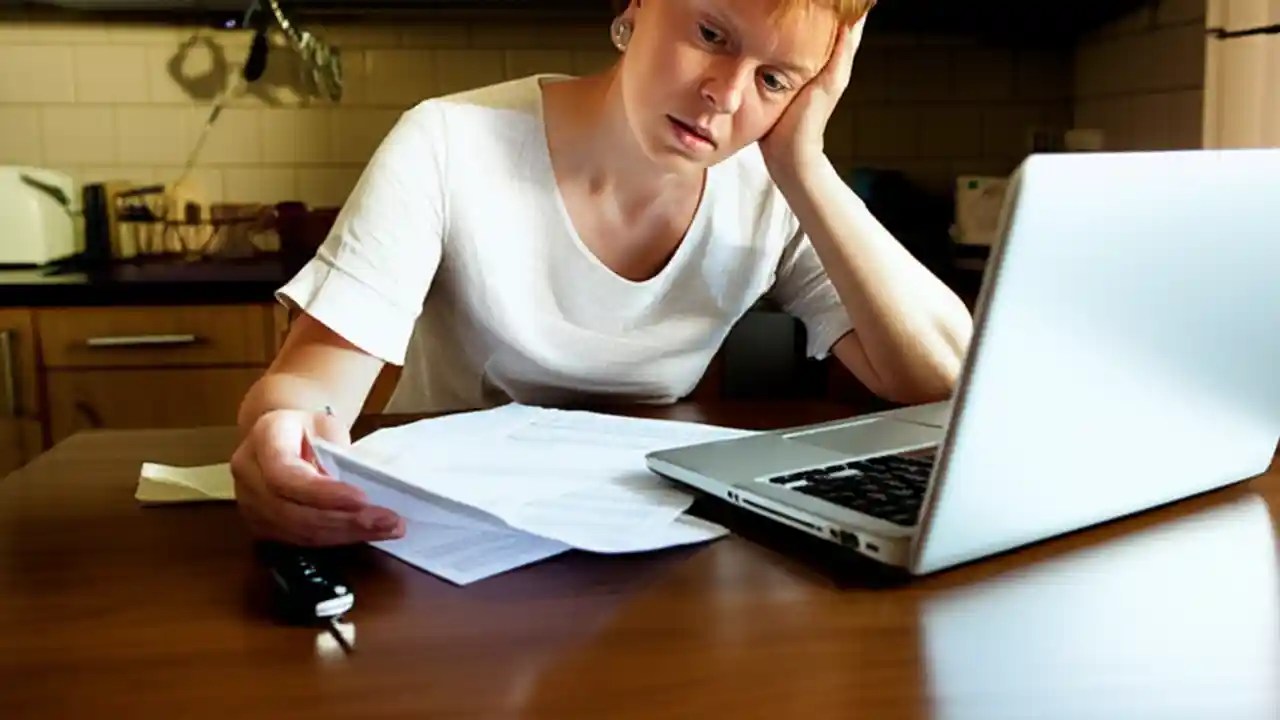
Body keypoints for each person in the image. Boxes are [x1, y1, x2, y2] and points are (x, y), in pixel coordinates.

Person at [230, 0, 975, 547]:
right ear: (638, 7)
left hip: (649, 539)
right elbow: (313, 385)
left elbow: (940, 378)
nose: (726, 93)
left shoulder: (770, 189)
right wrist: (280, 437)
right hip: (450, 536)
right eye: (711, 35)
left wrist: (803, 165)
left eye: (775, 81)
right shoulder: (449, 143)